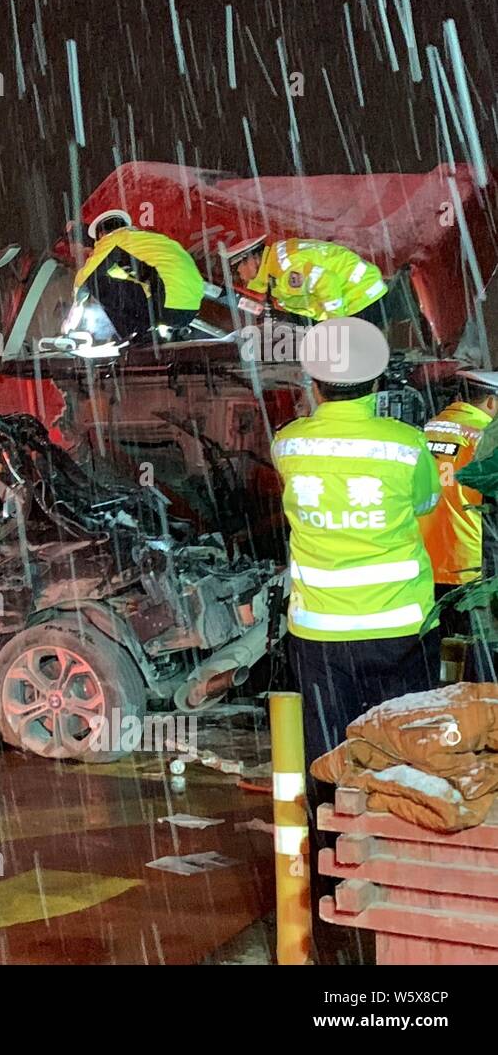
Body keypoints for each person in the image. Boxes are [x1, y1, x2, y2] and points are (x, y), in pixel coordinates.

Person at [272, 317, 441, 963]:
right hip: (399, 629)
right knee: (404, 755)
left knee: (328, 759)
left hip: (320, 634)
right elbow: (424, 504)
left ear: (315, 381)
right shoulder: (405, 445)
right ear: (378, 377)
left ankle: (338, 892)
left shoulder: (290, 444)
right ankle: (402, 874)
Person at [420, 371, 498, 637]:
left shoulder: (425, 428)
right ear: (491, 402)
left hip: (423, 560)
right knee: (473, 647)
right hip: (468, 563)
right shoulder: (486, 437)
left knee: (436, 641)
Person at [72, 210, 204, 342]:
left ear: (101, 234)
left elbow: (86, 278)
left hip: (167, 305)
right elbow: (123, 275)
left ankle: (136, 333)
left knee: (95, 283)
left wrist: (74, 310)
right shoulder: (147, 240)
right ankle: (156, 333)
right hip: (188, 310)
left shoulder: (113, 239)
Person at [226, 235, 391, 326]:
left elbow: (326, 281)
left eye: (236, 268)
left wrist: (336, 323)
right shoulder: (278, 260)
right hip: (365, 293)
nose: (237, 274)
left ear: (252, 260)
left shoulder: (284, 269)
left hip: (361, 300)